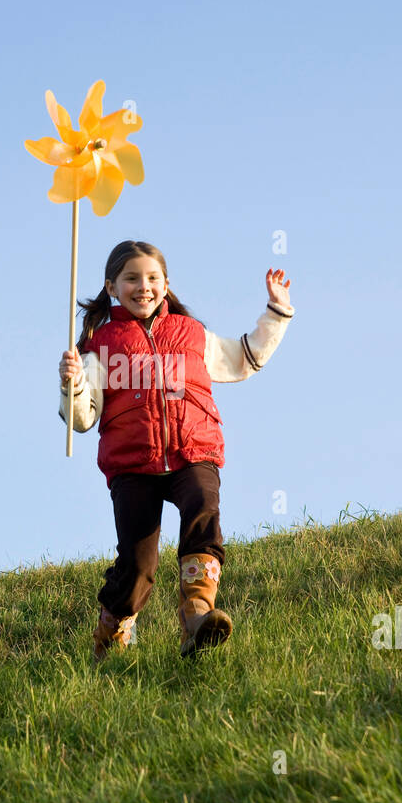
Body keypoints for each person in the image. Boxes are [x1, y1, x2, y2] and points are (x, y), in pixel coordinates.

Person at [58, 239, 294, 665]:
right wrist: (73, 383)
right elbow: (81, 419)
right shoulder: (99, 347)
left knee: (203, 509)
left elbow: (243, 358)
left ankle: (197, 614)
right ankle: (112, 635)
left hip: (193, 449)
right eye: (131, 278)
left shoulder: (191, 333)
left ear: (166, 284)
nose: (142, 286)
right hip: (133, 465)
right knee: (137, 564)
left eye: (152, 278)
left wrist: (275, 313)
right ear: (112, 286)